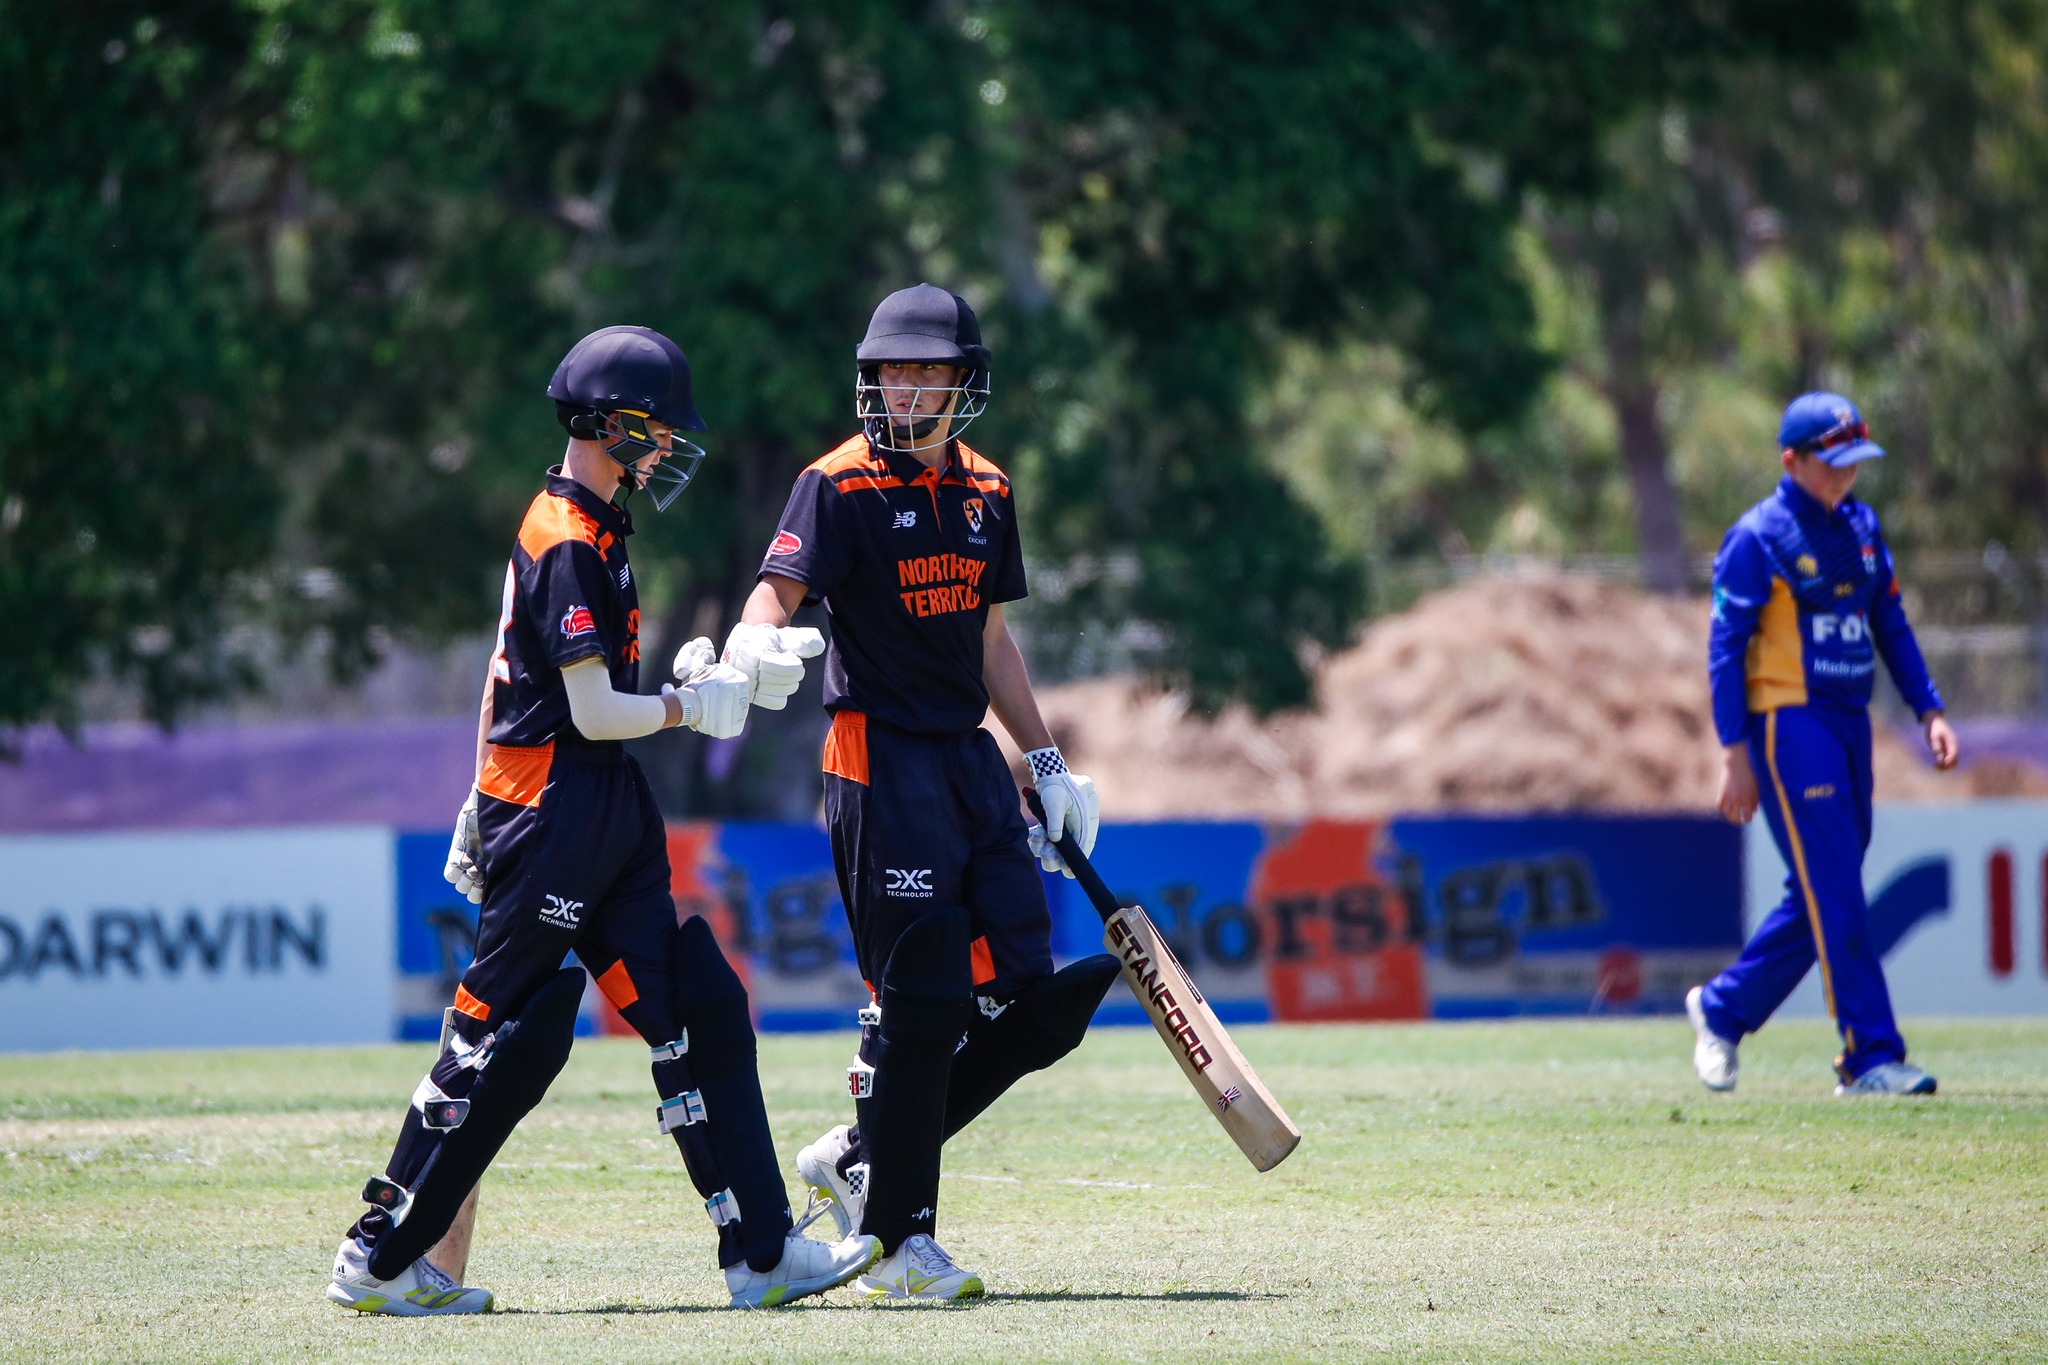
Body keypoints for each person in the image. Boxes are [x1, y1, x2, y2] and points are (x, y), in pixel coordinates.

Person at [327, 325, 878, 1315]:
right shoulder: (566, 536)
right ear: (611, 424)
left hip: (601, 804)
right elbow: (582, 713)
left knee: (689, 1011)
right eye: (655, 431)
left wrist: (689, 680)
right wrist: (688, 709)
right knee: (490, 1036)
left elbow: (575, 697)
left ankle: (758, 1253)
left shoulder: (599, 524)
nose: (665, 449)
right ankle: (374, 1258)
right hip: (550, 812)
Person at [732, 284, 1122, 1300]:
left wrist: (1043, 762)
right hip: (876, 757)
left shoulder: (989, 490)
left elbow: (992, 640)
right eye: (889, 370)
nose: (902, 388)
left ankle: (861, 1157)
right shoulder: (834, 484)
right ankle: (900, 1247)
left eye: (925, 372)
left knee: (1033, 1004)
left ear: (963, 386)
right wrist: (743, 651)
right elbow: (773, 593)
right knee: (920, 1005)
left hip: (968, 763)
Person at [1688, 391, 1959, 1097]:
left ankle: (1723, 1006)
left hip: (1849, 720)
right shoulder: (1758, 536)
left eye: (1854, 464)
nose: (1846, 478)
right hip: (1787, 724)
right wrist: (1733, 754)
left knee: (1825, 887)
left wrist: (1929, 708)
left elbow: (1890, 624)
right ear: (1791, 460)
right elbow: (1725, 652)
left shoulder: (1863, 527)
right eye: (1831, 465)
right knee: (1834, 884)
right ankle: (1868, 1056)